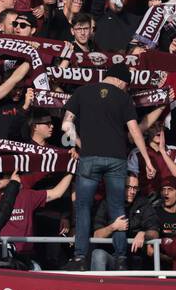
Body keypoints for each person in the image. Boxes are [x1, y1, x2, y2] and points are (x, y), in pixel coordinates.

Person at [62, 63, 156, 270]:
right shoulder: (123, 98)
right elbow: (134, 131)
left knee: (83, 207)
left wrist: (80, 144)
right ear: (122, 81)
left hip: (89, 158)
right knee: (117, 207)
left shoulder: (82, 92)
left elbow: (66, 125)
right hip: (116, 160)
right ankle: (122, 258)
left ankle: (79, 257)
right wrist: (147, 161)